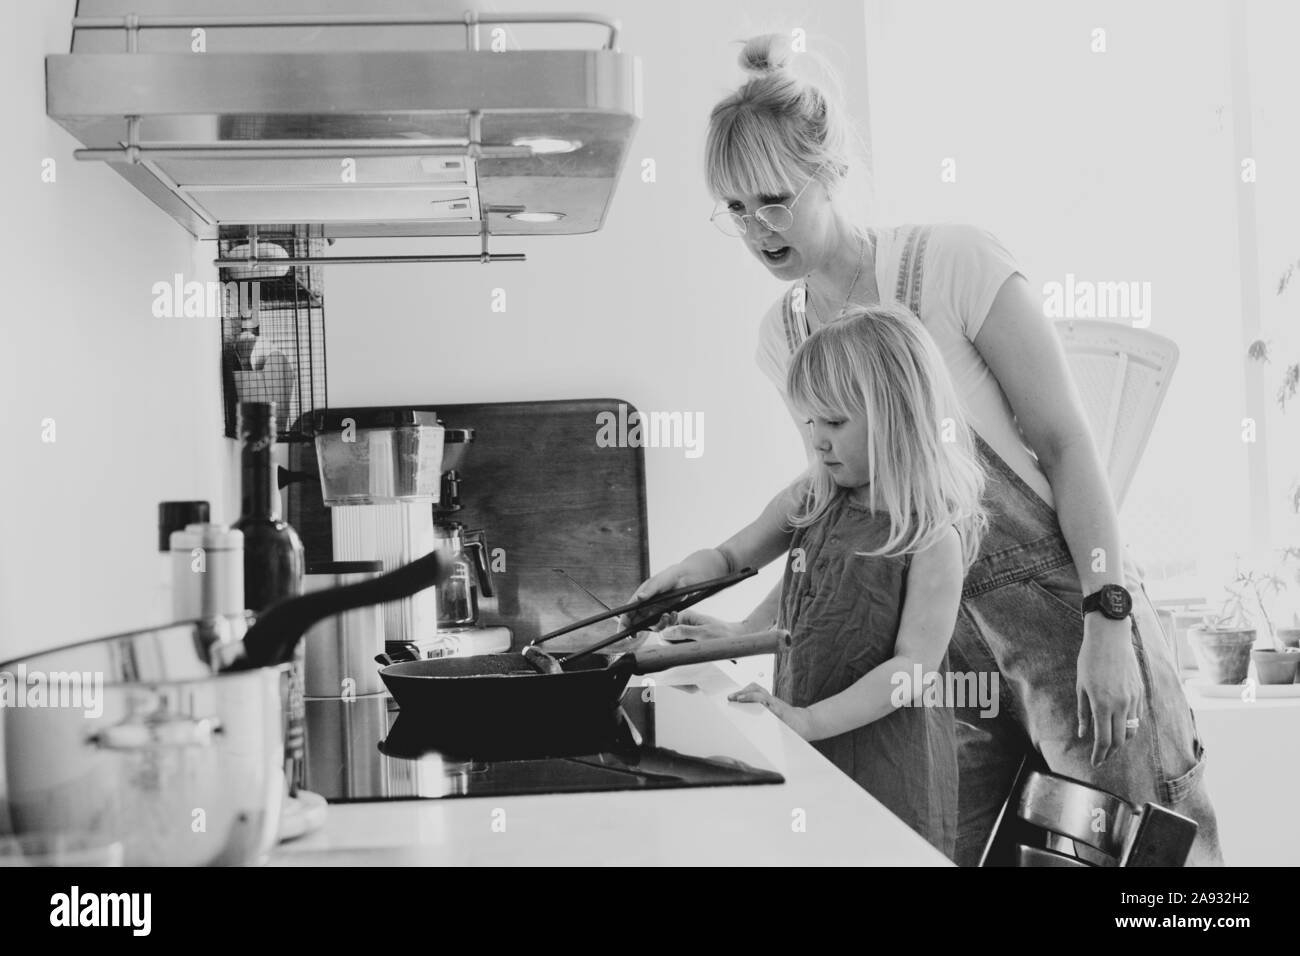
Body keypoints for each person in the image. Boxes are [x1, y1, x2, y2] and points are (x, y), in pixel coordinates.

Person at [632, 33, 1223, 865]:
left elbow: (1065, 444)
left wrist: (1108, 622)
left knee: (1155, 869)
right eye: (734, 208)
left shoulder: (953, 264)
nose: (757, 228)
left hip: (1067, 622)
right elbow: (831, 510)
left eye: (774, 199)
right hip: (937, 657)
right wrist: (733, 603)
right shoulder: (785, 336)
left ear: (829, 173)